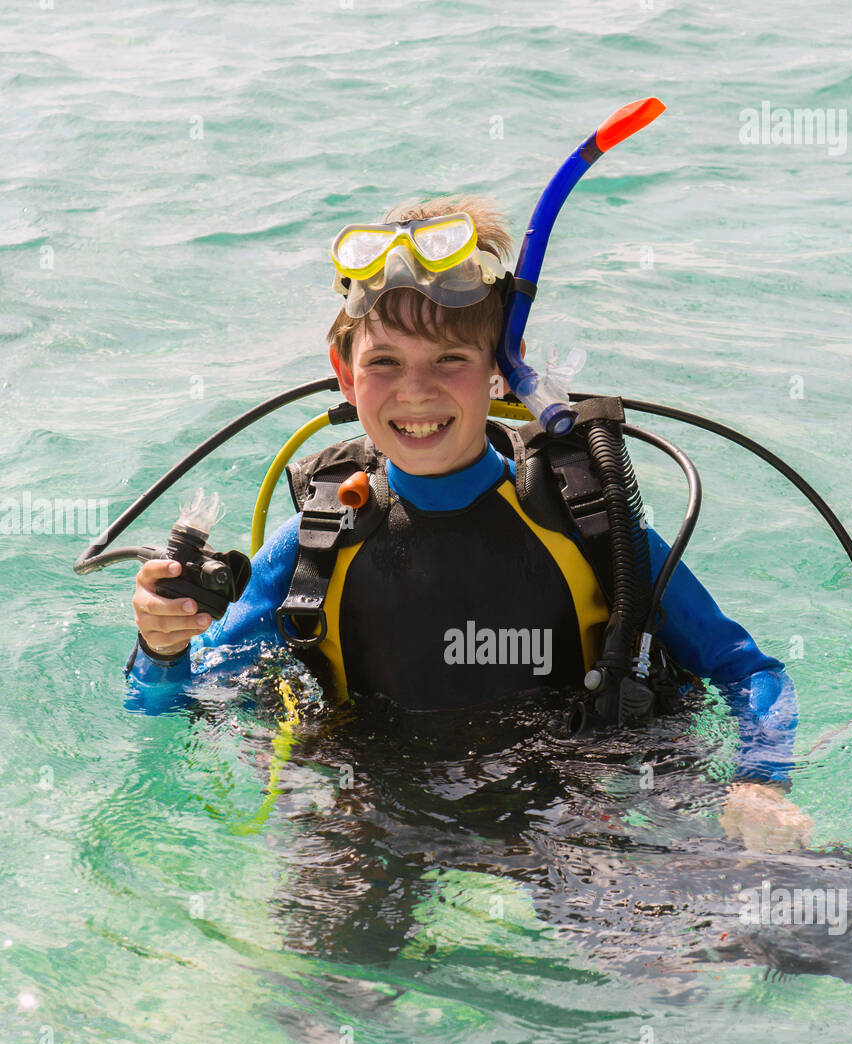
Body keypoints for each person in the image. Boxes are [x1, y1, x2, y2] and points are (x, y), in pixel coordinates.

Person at [127, 194, 812, 851]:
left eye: (450, 359)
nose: (415, 390)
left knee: (780, 925)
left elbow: (745, 669)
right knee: (316, 974)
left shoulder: (583, 520)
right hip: (378, 810)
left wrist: (761, 781)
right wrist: (160, 649)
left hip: (577, 800)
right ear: (344, 372)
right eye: (384, 362)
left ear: (500, 369)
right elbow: (184, 699)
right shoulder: (318, 540)